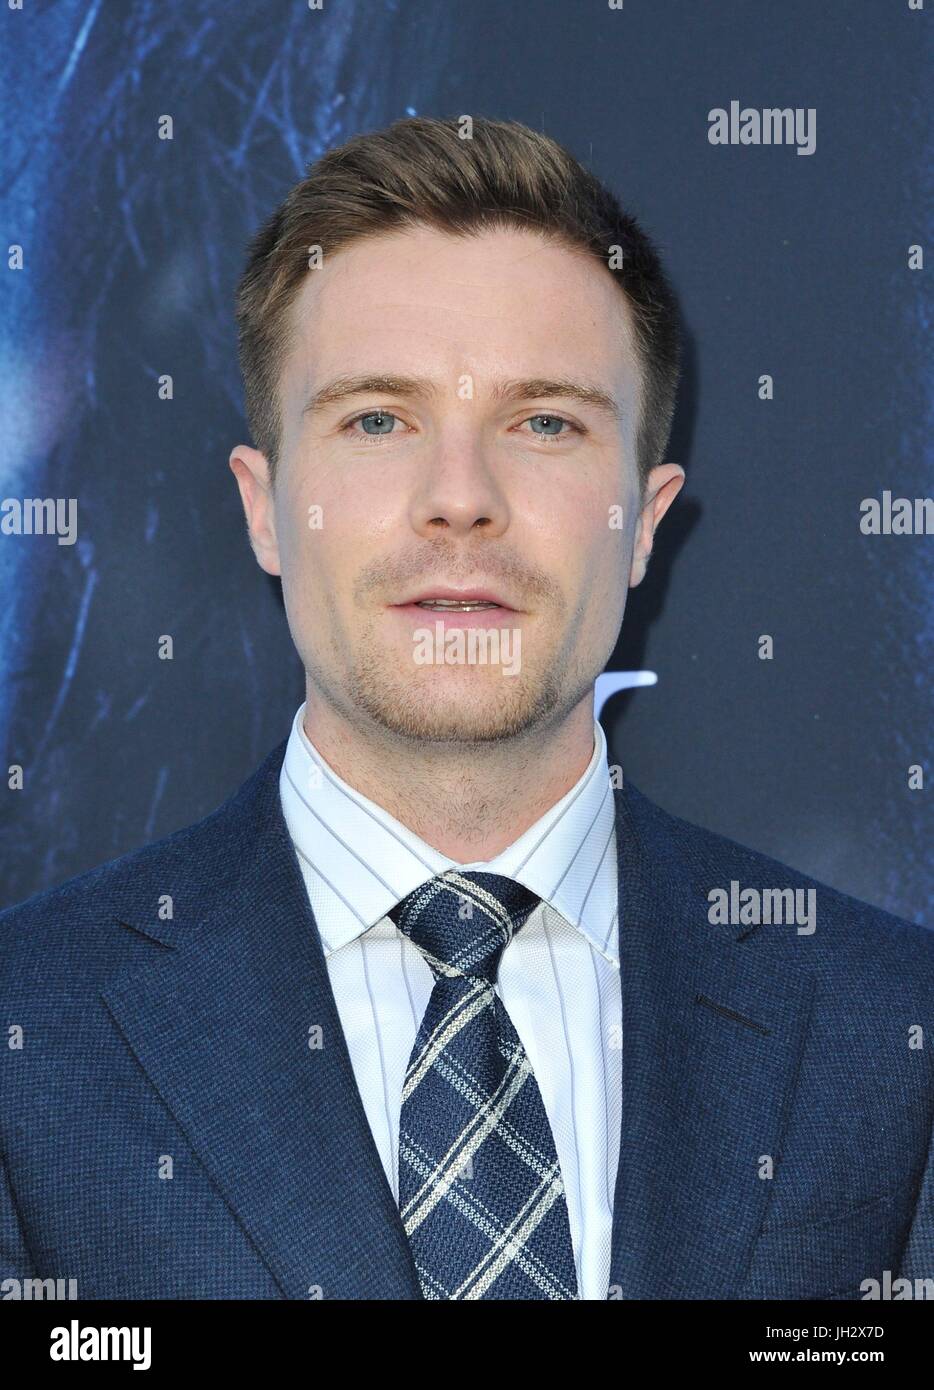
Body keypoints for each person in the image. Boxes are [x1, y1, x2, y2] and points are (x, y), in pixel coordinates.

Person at [1, 116, 931, 1302]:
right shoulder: (26, 1034)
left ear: (644, 521)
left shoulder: (894, 1033)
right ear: (265, 507)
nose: (459, 499)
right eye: (377, 420)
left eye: (543, 422)